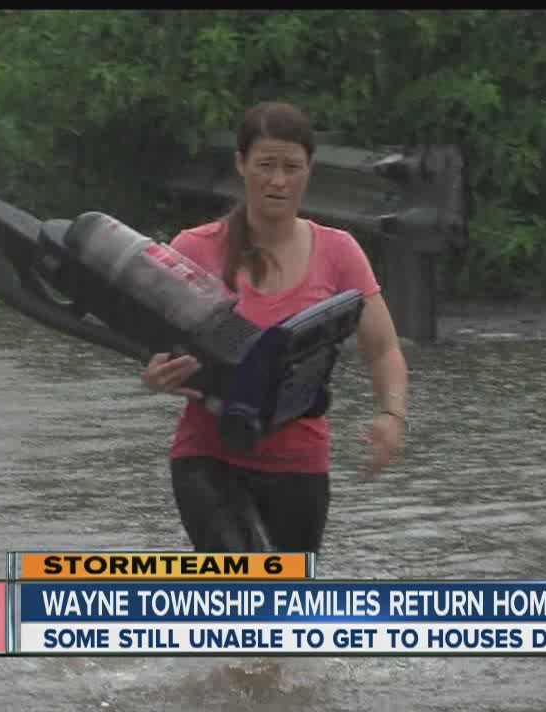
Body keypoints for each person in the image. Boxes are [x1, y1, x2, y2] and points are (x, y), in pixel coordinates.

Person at [140, 101, 409, 554]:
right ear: (241, 165)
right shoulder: (194, 249)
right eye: (265, 165)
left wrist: (392, 415)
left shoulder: (339, 252)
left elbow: (382, 350)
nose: (278, 180)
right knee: (243, 583)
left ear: (309, 170)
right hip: (209, 457)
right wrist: (155, 375)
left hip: (299, 463)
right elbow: (148, 344)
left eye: (291, 167)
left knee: (287, 610)